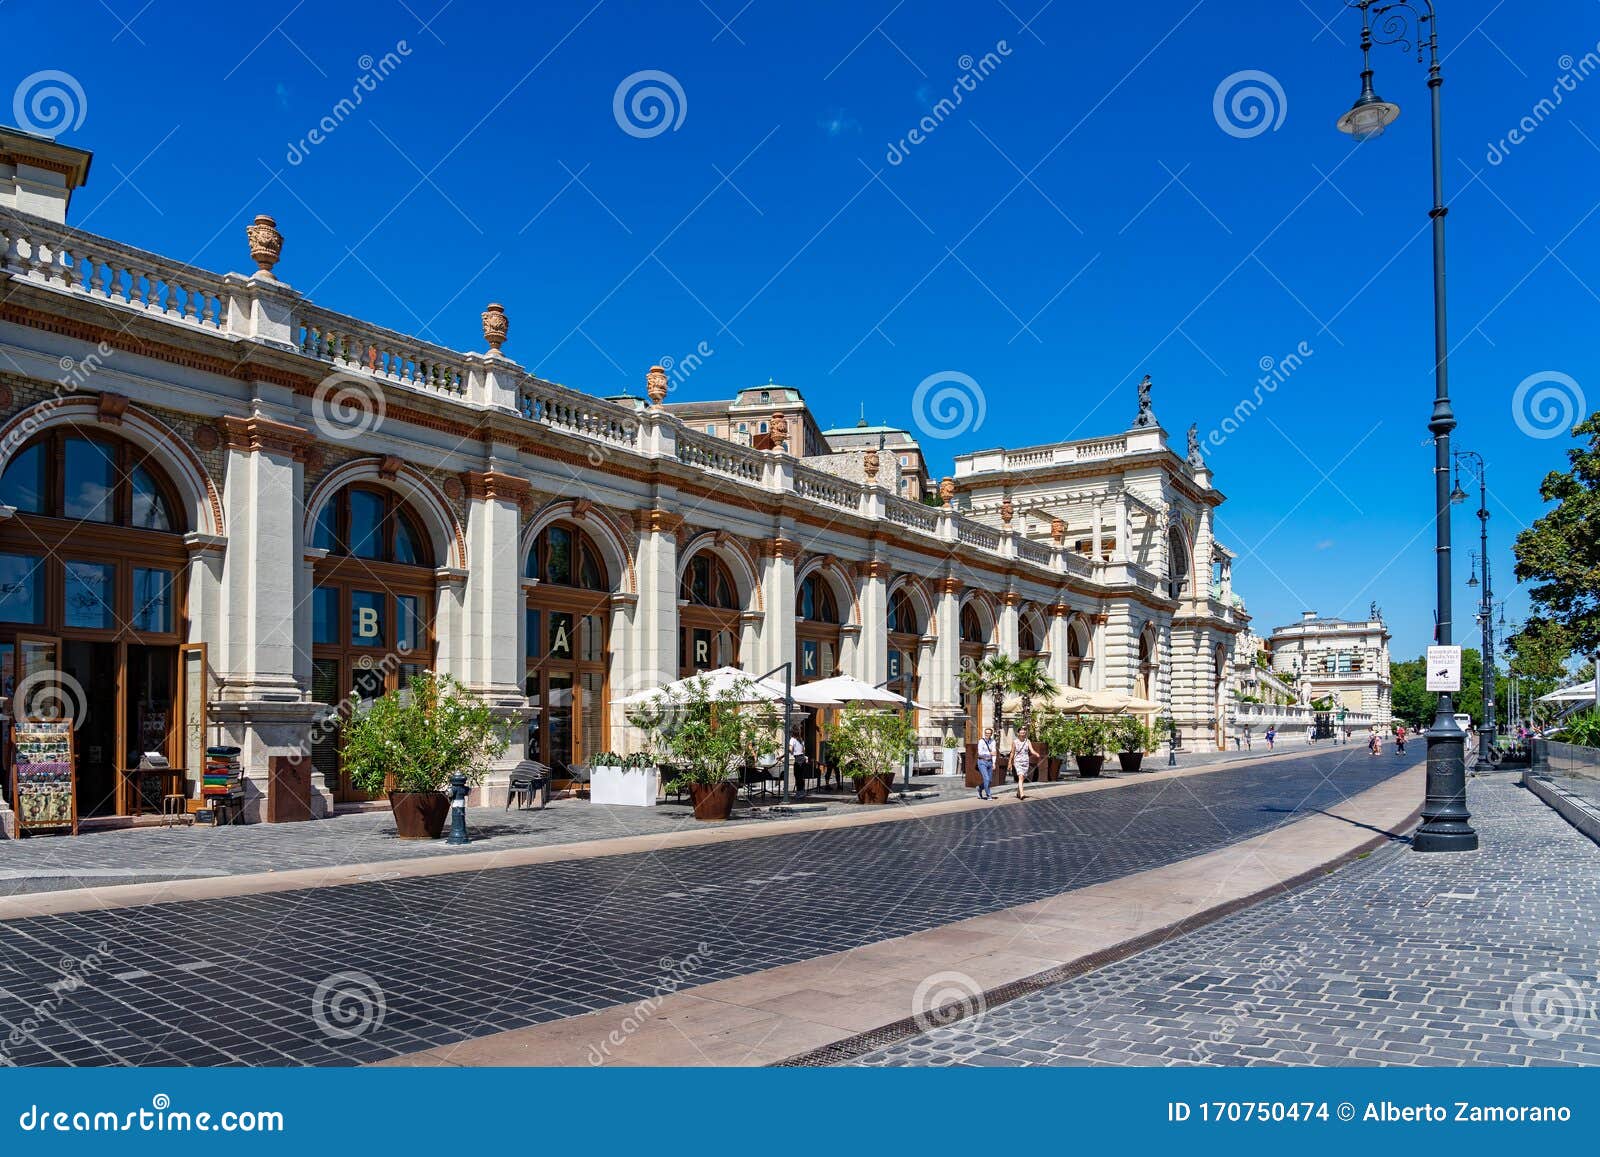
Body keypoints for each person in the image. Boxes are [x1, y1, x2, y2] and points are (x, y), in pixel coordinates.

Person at [1011, 726, 1039, 800]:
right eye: (1021, 733)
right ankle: (1022, 794)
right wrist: (1010, 763)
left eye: (1024, 733)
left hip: (1025, 761)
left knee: (1022, 778)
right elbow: (1012, 753)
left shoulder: (1028, 741)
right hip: (1017, 761)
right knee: (1020, 776)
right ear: (1018, 733)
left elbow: (1031, 750)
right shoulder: (1015, 742)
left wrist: (1036, 754)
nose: (1023, 734)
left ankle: (1018, 792)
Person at [975, 727, 997, 801]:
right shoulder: (981, 741)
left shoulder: (993, 741)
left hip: (990, 762)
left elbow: (994, 753)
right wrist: (990, 753)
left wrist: (994, 763)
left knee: (989, 780)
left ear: (991, 734)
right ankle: (988, 795)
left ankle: (979, 788)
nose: (987, 734)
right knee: (986, 778)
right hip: (982, 762)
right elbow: (980, 753)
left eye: (989, 733)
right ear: (984, 733)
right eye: (986, 733)